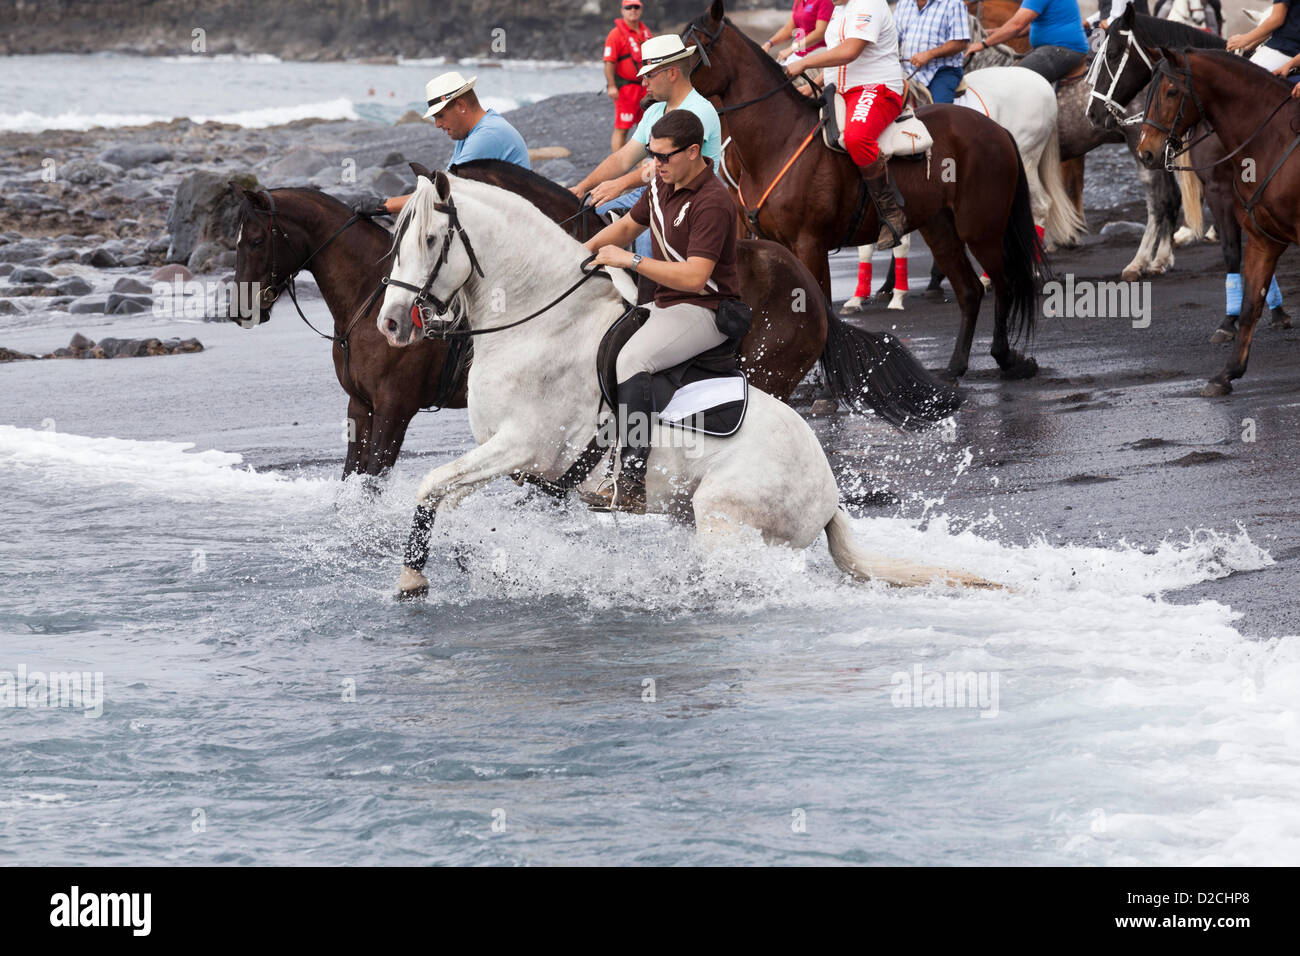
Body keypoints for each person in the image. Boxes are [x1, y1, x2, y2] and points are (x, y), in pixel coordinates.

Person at [581, 110, 740, 514]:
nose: (655, 164)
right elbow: (626, 229)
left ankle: (631, 484)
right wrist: (579, 256)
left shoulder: (714, 201)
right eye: (651, 154)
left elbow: (694, 276)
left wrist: (630, 263)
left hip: (706, 307)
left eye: (664, 157)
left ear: (692, 152)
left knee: (634, 359)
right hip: (664, 302)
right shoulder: (659, 183)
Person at [571, 34, 723, 263]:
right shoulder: (655, 111)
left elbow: (667, 163)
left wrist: (620, 183)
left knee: (646, 240)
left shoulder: (700, 111)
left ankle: (647, 297)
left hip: (689, 198)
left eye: (649, 76)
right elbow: (623, 158)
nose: (643, 83)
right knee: (592, 218)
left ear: (672, 73)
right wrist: (582, 187)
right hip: (651, 192)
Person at [785, 0, 908, 248]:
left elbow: (851, 51)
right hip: (841, 91)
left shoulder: (869, 4)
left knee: (856, 137)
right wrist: (811, 88)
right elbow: (837, 60)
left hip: (877, 88)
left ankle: (892, 213)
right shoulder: (840, 10)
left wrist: (805, 62)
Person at [374, 72, 530, 217]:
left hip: (516, 227)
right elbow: (445, 187)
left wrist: (384, 206)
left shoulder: (488, 135)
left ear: (461, 106)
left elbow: (441, 195)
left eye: (440, 116)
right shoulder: (472, 132)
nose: (437, 124)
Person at [966, 0, 1089, 84]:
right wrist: (993, 33)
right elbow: (1025, 27)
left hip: (1062, 49)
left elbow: (1017, 25)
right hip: (1057, 48)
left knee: (1010, 81)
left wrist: (983, 44)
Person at [893, 0, 970, 104]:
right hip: (906, 70)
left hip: (942, 71)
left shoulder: (954, 4)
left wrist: (930, 54)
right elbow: (893, 39)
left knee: (937, 114)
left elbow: (960, 42)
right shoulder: (903, 4)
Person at [604, 1, 655, 153]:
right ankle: (617, 164)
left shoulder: (646, 32)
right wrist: (611, 85)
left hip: (645, 87)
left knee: (645, 126)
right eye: (628, 7)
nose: (633, 10)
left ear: (641, 10)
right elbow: (609, 62)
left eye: (636, 7)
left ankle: (640, 164)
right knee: (622, 127)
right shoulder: (615, 34)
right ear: (622, 11)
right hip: (626, 88)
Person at [1227, 1, 1300, 93]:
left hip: (1285, 49)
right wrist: (1253, 43)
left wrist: (1245, 38)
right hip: (1289, 48)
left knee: (1238, 84)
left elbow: (1277, 19)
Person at [762, 1, 835, 63]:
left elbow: (820, 32)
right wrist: (769, 43)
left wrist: (792, 48)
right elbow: (789, 29)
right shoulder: (799, 1)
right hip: (797, 53)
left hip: (815, 54)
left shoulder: (825, 1)